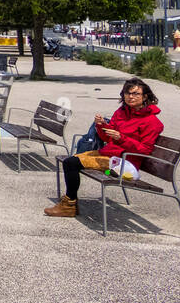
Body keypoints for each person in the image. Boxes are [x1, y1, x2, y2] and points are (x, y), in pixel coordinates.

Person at [45, 78, 163, 218]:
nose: (131, 96)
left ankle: (68, 206)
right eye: (127, 93)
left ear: (145, 97)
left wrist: (122, 138)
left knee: (71, 163)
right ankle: (69, 203)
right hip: (109, 155)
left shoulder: (152, 122)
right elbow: (107, 138)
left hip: (125, 163)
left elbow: (145, 150)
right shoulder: (121, 113)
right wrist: (101, 126)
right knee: (71, 160)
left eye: (136, 94)